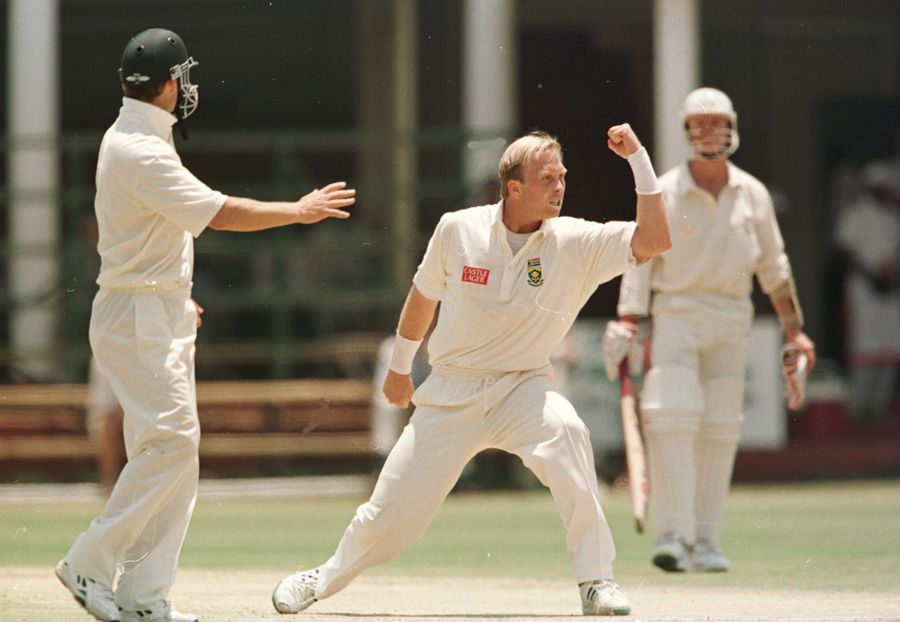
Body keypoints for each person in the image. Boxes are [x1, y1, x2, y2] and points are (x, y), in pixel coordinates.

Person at [273, 124, 671, 617]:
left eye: (562, 176)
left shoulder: (574, 239)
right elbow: (423, 297)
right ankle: (322, 578)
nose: (560, 186)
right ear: (514, 188)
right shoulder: (457, 228)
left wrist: (638, 159)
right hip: (451, 389)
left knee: (568, 433)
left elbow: (654, 239)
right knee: (392, 515)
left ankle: (596, 581)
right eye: (547, 178)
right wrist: (399, 368)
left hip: (524, 386)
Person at [55, 28, 356, 622]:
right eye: (183, 77)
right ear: (167, 84)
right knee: (170, 446)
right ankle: (88, 562)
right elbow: (218, 212)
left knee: (173, 451)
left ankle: (144, 598)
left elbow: (153, 233)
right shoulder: (139, 147)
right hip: (140, 314)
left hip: (153, 307)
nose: (187, 87)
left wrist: (175, 296)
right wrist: (297, 211)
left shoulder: (139, 136)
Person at [601, 87, 816, 574]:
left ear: (731, 127)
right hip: (677, 312)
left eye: (717, 123)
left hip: (732, 317)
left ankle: (707, 541)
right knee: (672, 417)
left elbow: (775, 268)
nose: (709, 132)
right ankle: (672, 536)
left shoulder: (751, 193)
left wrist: (795, 331)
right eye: (700, 125)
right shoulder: (668, 191)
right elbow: (641, 259)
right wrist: (629, 321)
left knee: (720, 428)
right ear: (686, 132)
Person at [833, 159, 900, 424]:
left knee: (892, 342)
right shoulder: (855, 214)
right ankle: (857, 407)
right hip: (863, 287)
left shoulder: (893, 218)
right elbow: (845, 251)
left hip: (890, 288)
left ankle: (879, 406)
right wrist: (870, 275)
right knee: (863, 345)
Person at [86, 356, 126, 495]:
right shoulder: (99, 358)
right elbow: (101, 409)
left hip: (138, 414)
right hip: (112, 419)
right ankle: (109, 484)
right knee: (104, 428)